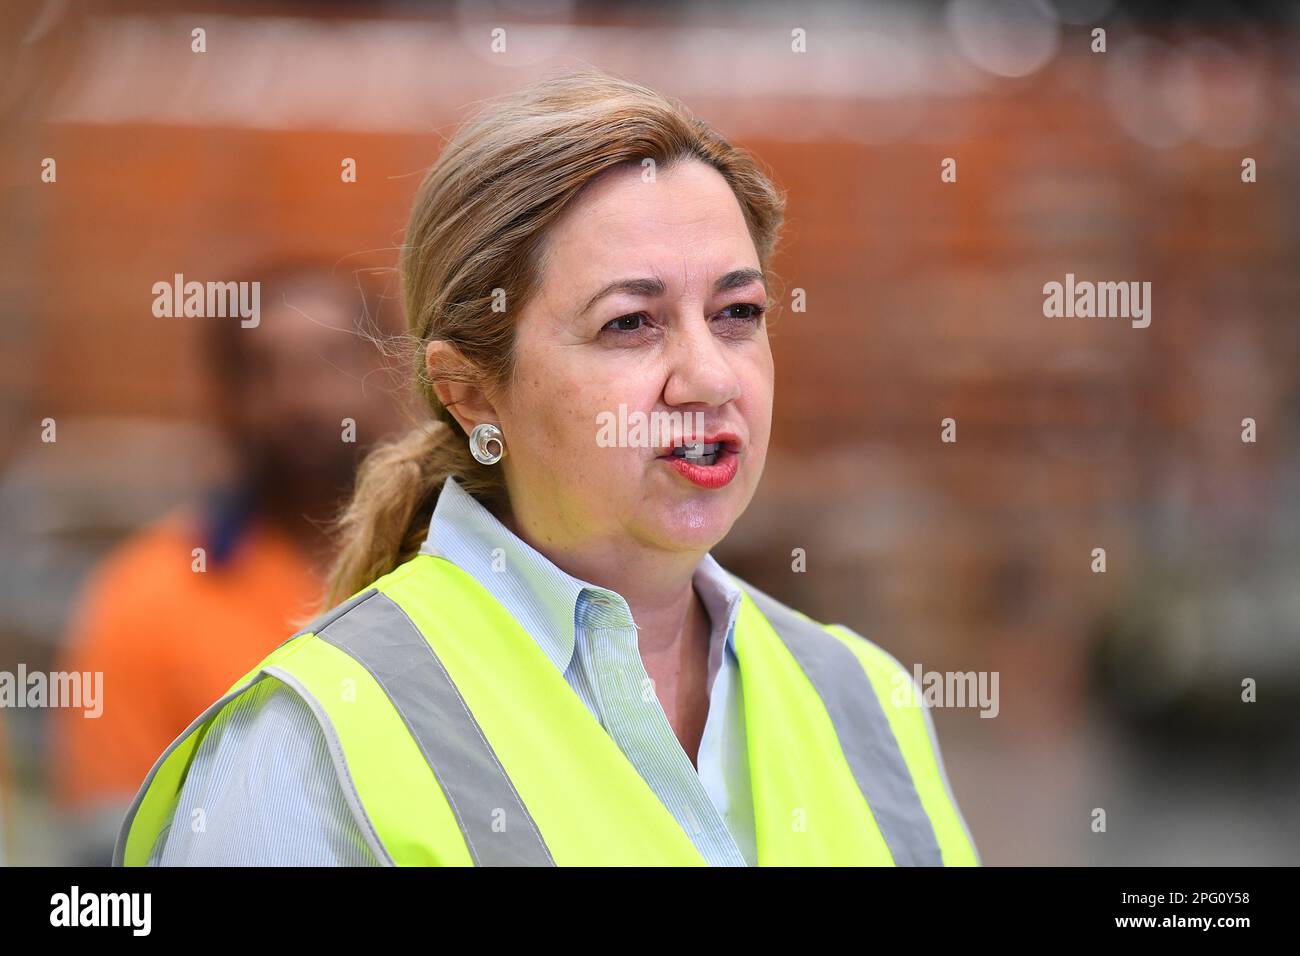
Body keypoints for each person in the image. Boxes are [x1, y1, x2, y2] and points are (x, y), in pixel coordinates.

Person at [116, 68, 980, 867]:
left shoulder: (867, 700)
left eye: (737, 311)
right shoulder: (310, 744)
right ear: (472, 393)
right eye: (631, 323)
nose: (713, 376)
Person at [51, 261, 398, 865]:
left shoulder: (458, 568)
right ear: (225, 400)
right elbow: (105, 843)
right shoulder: (146, 593)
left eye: (333, 361)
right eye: (267, 371)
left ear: (389, 375)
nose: (304, 398)